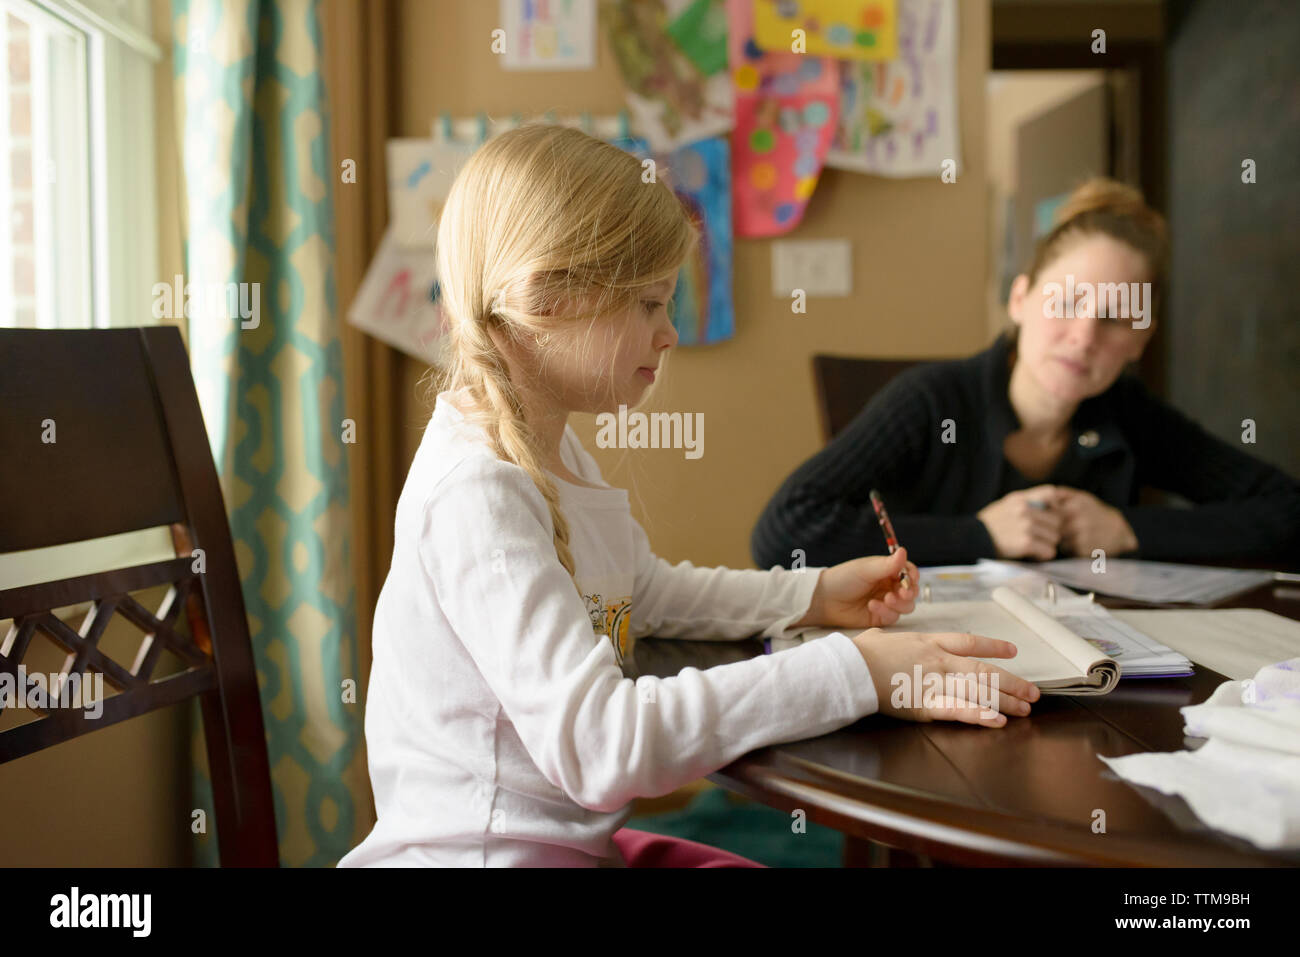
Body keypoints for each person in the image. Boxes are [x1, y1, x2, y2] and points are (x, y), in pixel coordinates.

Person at [338, 125, 1038, 869]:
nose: (668, 334)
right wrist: (860, 671)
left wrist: (811, 594)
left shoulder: (551, 447)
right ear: (546, 295)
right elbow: (600, 745)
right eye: (649, 304)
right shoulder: (478, 493)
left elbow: (644, 589)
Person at [752, 178, 1300, 570]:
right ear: (1020, 299)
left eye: (1113, 319)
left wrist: (1127, 530)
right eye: (1066, 303)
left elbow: (1287, 511)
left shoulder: (1128, 412)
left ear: (1141, 339)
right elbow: (783, 533)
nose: (1084, 337)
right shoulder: (931, 401)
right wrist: (979, 534)